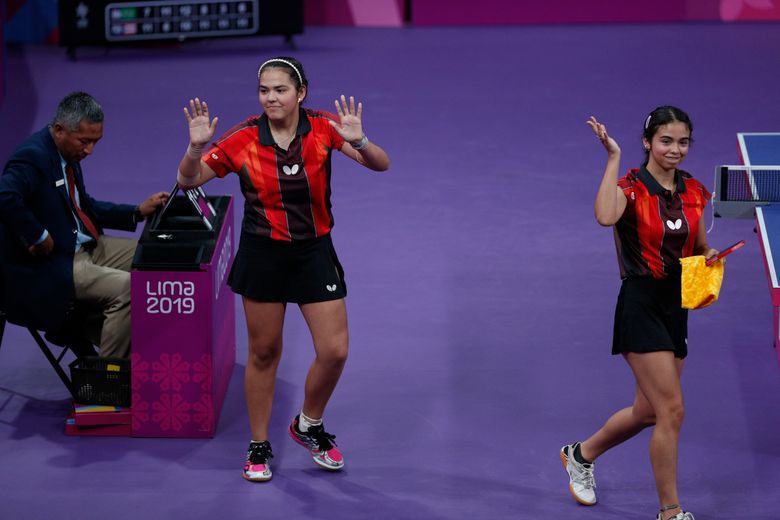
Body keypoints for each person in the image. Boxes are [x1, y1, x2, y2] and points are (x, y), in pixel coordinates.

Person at [177, 57, 390, 482]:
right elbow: (189, 181)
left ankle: (308, 424)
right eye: (264, 90)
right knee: (264, 353)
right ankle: (258, 444)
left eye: (280, 90)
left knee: (334, 351)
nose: (270, 98)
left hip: (313, 252)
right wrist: (195, 148)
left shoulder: (324, 127)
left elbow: (380, 163)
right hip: (264, 254)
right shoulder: (242, 138)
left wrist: (361, 140)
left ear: (301, 92)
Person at [560, 107, 717, 520]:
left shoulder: (695, 190)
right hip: (640, 304)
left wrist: (709, 257)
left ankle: (580, 454)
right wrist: (612, 157)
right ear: (647, 142)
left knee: (648, 411)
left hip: (676, 306)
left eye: (682, 142)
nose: (675, 149)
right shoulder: (630, 188)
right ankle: (670, 511)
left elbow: (699, 245)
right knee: (672, 410)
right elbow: (604, 216)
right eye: (665, 141)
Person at [0, 92, 169, 358]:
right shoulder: (32, 157)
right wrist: (36, 235)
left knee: (154, 256)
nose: (90, 150)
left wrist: (136, 212)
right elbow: (5, 195)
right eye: (85, 141)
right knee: (127, 288)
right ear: (59, 130)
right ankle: (108, 376)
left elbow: (82, 205)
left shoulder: (68, 155)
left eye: (95, 142)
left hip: (84, 244)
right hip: (55, 263)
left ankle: (100, 332)